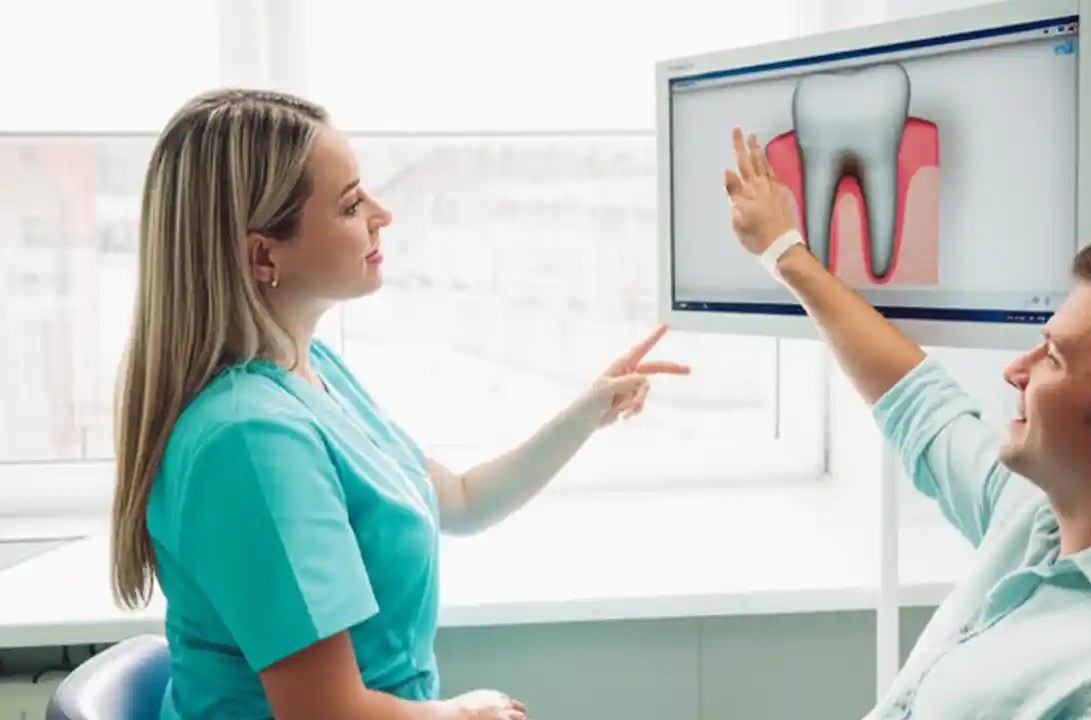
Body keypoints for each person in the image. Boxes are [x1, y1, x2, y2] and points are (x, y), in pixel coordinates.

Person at [109, 88, 689, 720]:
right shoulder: (252, 440)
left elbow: (463, 500)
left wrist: (589, 412)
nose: (382, 214)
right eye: (351, 203)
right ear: (263, 256)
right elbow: (324, 713)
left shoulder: (310, 374)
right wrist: (465, 713)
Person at [724, 127, 1091, 718]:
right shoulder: (1041, 517)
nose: (1017, 370)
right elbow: (918, 400)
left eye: (1053, 356)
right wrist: (783, 250)